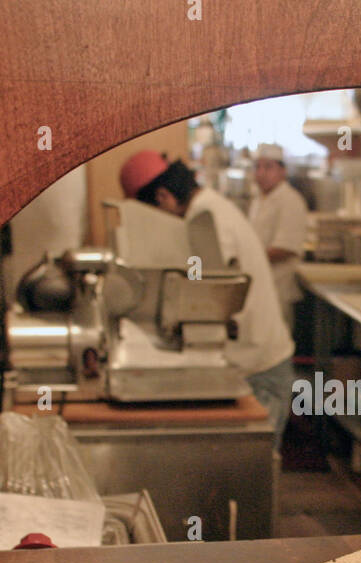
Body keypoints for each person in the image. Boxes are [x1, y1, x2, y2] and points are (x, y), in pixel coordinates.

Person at [119, 150, 296, 446]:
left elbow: (207, 294)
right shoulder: (208, 208)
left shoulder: (208, 220)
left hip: (259, 373)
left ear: (163, 197)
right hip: (251, 365)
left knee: (250, 478)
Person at [247, 143, 309, 329]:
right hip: (258, 286)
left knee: (275, 343)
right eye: (257, 167)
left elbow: (285, 248)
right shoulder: (258, 200)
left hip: (277, 289)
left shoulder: (291, 201)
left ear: (283, 171)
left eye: (268, 167)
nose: (261, 173)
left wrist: (248, 259)